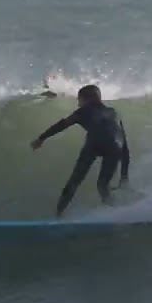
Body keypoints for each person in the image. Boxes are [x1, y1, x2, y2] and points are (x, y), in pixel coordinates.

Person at [30, 84, 131, 218]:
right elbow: (125, 148)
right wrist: (124, 176)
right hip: (115, 147)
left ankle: (58, 215)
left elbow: (62, 124)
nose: (78, 104)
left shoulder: (83, 111)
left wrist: (41, 138)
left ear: (86, 99)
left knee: (75, 181)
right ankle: (118, 213)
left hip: (95, 144)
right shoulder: (114, 113)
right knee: (102, 185)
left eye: (79, 100)